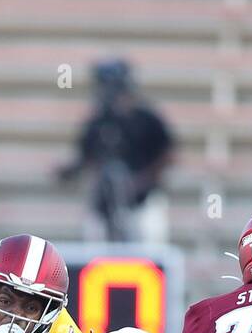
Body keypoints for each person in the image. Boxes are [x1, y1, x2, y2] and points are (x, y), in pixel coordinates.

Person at [57, 59, 173, 243]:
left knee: (149, 250)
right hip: (103, 206)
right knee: (95, 253)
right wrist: (68, 171)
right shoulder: (97, 122)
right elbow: (86, 157)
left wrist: (142, 180)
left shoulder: (146, 119)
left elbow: (167, 154)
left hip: (143, 202)